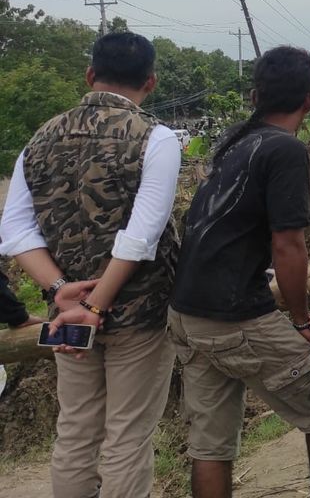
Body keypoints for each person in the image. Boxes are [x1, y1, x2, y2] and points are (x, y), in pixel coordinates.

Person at [0, 31, 181, 498]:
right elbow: (141, 237)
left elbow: (16, 232)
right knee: (127, 436)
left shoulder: (39, 139)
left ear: (89, 75)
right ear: (152, 81)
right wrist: (97, 307)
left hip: (68, 314)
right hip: (139, 313)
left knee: (77, 431)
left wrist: (61, 290)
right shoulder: (155, 138)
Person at [168, 46, 310, 498]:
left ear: (255, 95)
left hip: (186, 312)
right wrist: (299, 318)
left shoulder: (236, 142)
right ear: (309, 100)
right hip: (232, 315)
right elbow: (288, 244)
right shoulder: (284, 149)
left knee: (211, 445)